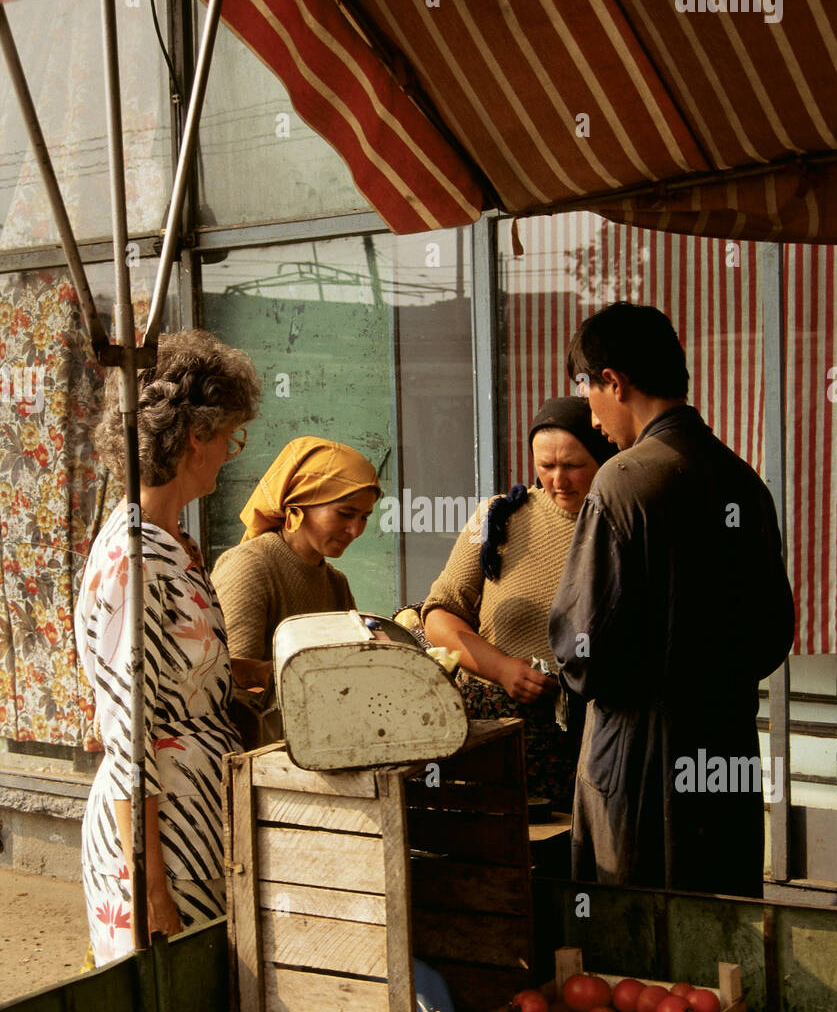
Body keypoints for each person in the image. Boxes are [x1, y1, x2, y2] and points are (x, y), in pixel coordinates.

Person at [548, 301, 795, 895]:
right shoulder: (742, 480)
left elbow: (581, 647)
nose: (593, 416)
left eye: (590, 395)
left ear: (615, 381)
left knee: (636, 957)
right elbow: (772, 631)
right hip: (725, 751)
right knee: (719, 939)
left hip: (636, 762)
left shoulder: (625, 480)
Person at [75, 328, 262, 966]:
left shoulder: (172, 543)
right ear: (194, 438)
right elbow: (129, 732)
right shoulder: (138, 558)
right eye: (229, 436)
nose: (230, 453)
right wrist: (149, 889)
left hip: (197, 828)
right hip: (159, 847)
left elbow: (181, 672)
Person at [422, 397, 616, 811]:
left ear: (603, 459)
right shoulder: (499, 518)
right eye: (546, 467)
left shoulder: (619, 526)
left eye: (574, 466)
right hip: (493, 727)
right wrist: (503, 668)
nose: (558, 480)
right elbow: (439, 617)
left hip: (589, 734)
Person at [211, 437, 381, 666]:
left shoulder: (336, 584)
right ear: (298, 505)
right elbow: (236, 680)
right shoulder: (249, 568)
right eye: (344, 513)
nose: (355, 530)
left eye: (364, 518)